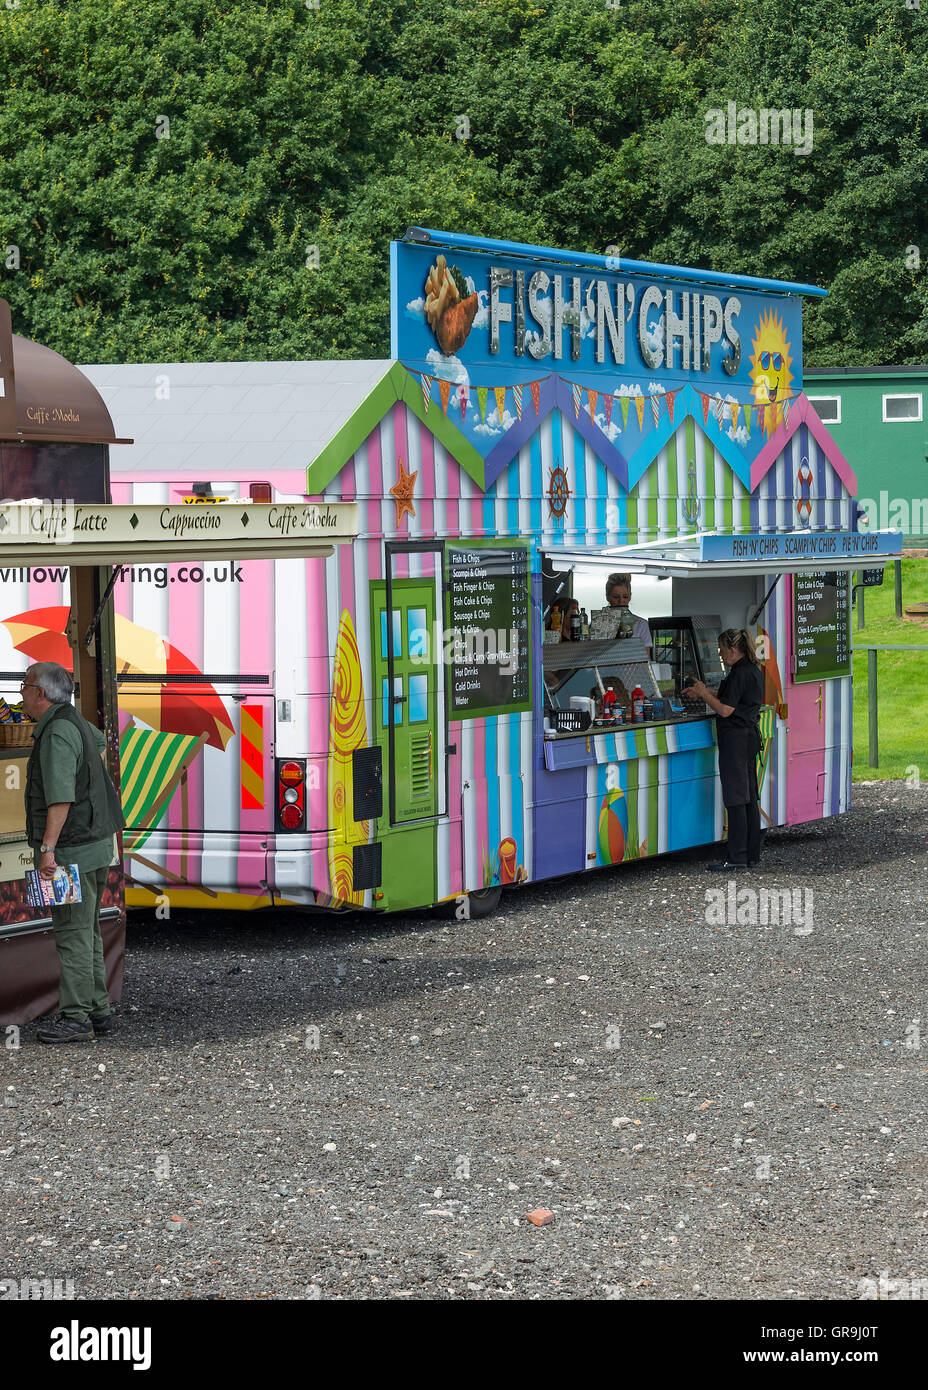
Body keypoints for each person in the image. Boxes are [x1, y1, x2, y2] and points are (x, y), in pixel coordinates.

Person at [22, 662, 125, 1044]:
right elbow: (99, 745)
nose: (20, 692)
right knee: (88, 930)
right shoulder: (74, 721)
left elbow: (60, 798)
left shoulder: (57, 734)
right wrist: (89, 786)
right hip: (96, 845)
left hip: (71, 850)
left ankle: (77, 1017)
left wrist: (48, 850)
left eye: (24, 685)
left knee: (72, 933)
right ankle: (98, 1011)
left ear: (41, 693)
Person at [684, 630, 763, 871]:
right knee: (749, 795)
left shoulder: (739, 673)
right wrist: (705, 692)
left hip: (735, 739)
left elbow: (726, 709)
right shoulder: (752, 670)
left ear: (732, 649)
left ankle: (737, 856)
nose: (719, 652)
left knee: (736, 797)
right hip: (748, 736)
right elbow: (734, 697)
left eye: (721, 648)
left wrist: (705, 695)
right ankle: (751, 853)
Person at [605, 572, 652, 654]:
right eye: (616, 597)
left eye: (625, 597)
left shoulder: (641, 624)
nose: (621, 601)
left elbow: (646, 659)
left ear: (630, 596)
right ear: (607, 597)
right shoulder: (599, 624)